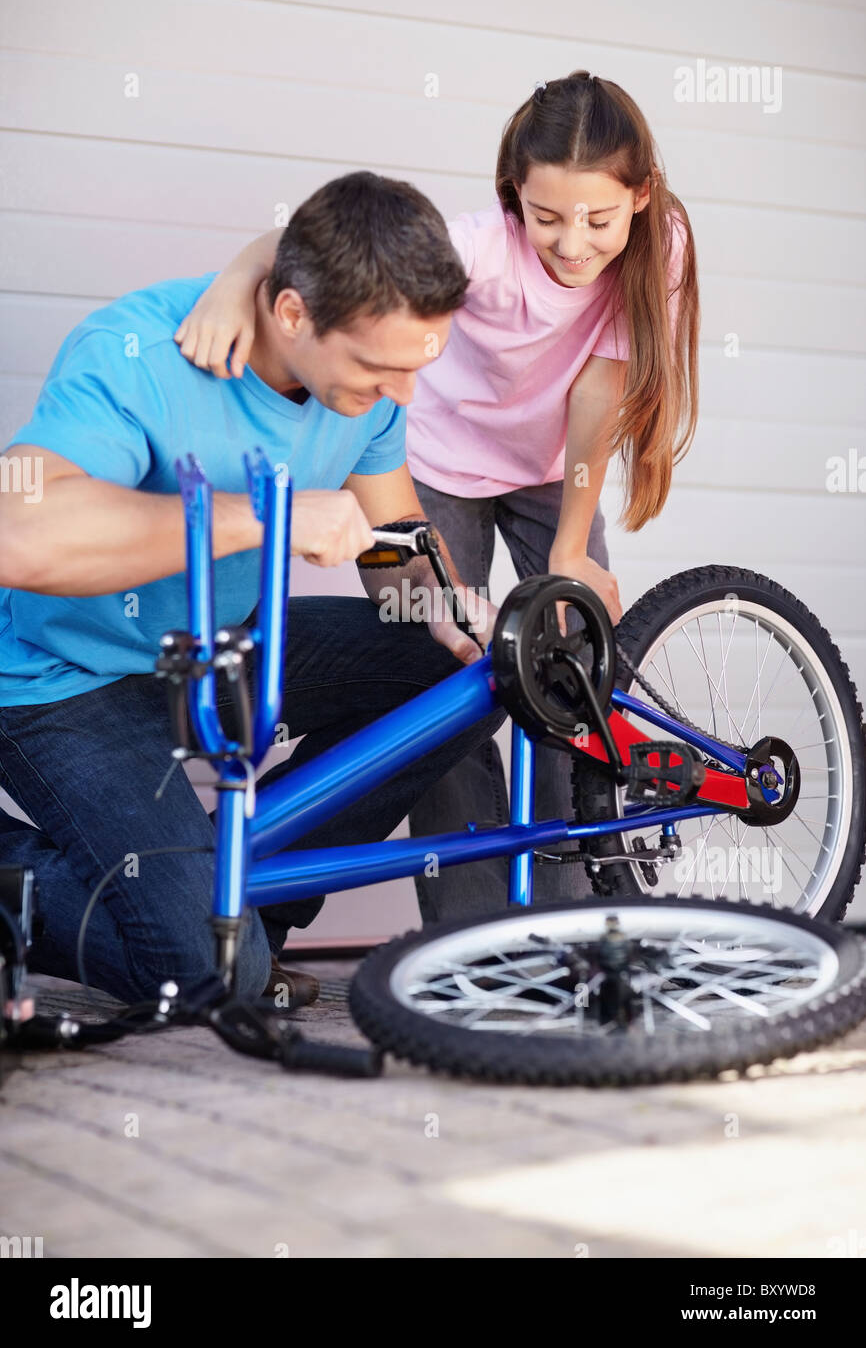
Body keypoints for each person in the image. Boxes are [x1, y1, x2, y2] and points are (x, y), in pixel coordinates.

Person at [174, 69, 700, 922]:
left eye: (598, 219)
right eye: (546, 216)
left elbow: (602, 387)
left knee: (567, 665)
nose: (572, 244)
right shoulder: (479, 245)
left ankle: (573, 915)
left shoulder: (659, 242)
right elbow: (321, 253)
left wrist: (571, 542)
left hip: (551, 462)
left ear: (640, 196)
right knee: (444, 661)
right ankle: (476, 926)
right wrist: (238, 280)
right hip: (435, 464)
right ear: (512, 196)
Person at [0, 171, 503, 1005]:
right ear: (293, 314)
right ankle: (209, 937)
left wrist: (444, 604)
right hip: (61, 680)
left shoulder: (372, 381)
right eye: (381, 369)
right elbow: (18, 535)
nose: (405, 395)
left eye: (419, 367)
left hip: (210, 654)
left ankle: (246, 917)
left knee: (461, 678)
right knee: (199, 970)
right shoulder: (138, 356)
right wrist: (266, 517)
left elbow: (394, 548)